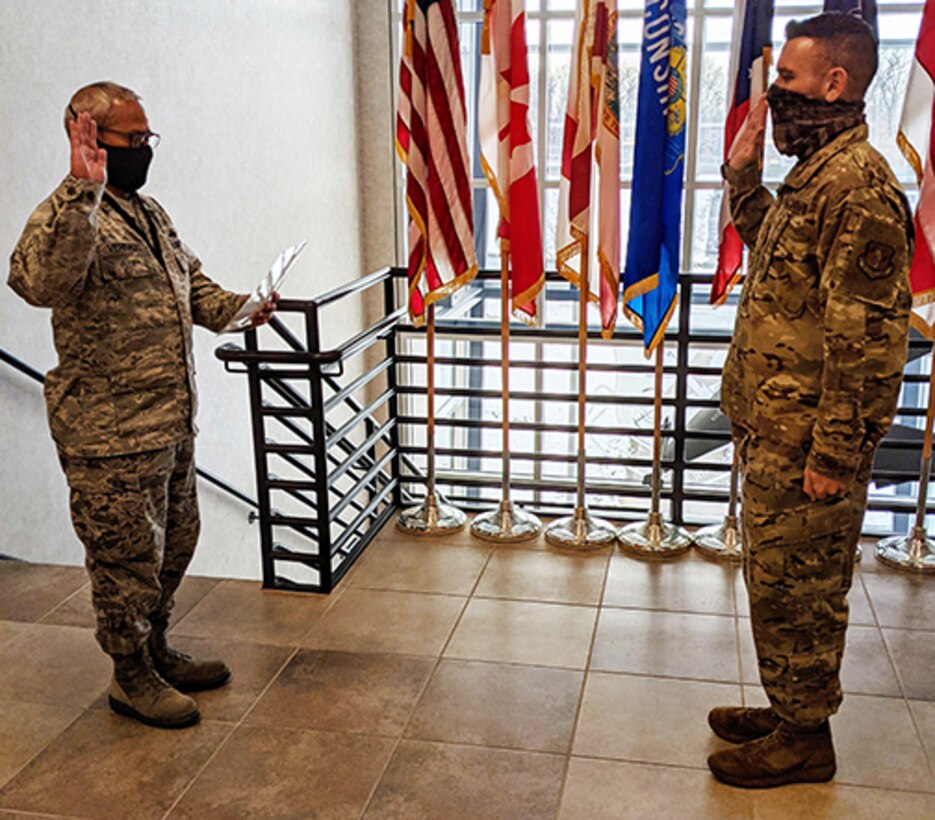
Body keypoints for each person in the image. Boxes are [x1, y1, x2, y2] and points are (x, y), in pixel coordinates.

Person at [8, 81, 277, 729]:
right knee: (124, 560)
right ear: (89, 136)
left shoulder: (148, 213)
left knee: (176, 543)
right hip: (108, 433)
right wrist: (82, 190)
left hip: (169, 422)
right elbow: (38, 282)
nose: (145, 149)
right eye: (135, 138)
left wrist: (242, 308)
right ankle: (129, 676)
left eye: (147, 137)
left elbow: (192, 284)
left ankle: (154, 650)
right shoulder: (68, 217)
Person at [709, 15, 912, 788]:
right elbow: (779, 257)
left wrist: (832, 455)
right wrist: (741, 179)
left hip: (806, 446)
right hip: (775, 428)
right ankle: (790, 708)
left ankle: (806, 739)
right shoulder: (816, 174)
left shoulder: (857, 186)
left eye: (786, 82)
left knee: (803, 587)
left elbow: (863, 344)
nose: (774, 98)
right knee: (776, 581)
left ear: (834, 83)